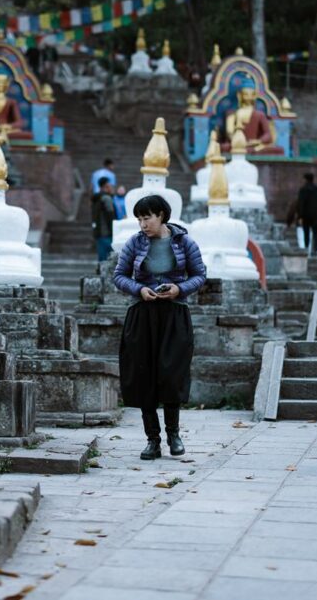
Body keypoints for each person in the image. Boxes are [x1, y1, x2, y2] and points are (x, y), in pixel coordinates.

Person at [112, 195, 206, 461]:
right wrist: (140, 289)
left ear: (162, 215)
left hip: (175, 315)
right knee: (144, 376)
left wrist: (179, 289)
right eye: (139, 219)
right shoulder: (134, 243)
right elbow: (119, 275)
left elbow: (199, 274)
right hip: (142, 315)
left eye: (147, 218)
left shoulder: (185, 242)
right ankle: (152, 440)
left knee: (172, 374)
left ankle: (173, 434)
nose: (143, 224)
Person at [296, 172, 317, 257]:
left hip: (306, 216)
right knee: (316, 233)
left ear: (305, 179)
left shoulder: (303, 190)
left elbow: (300, 204)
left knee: (306, 233)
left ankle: (307, 250)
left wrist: (300, 216)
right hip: (316, 215)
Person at [91, 177, 116, 262]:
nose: (112, 187)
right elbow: (111, 217)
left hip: (99, 232)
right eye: (110, 186)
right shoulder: (106, 198)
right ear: (106, 186)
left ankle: (102, 274)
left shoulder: (97, 198)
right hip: (107, 233)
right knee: (109, 259)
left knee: (102, 259)